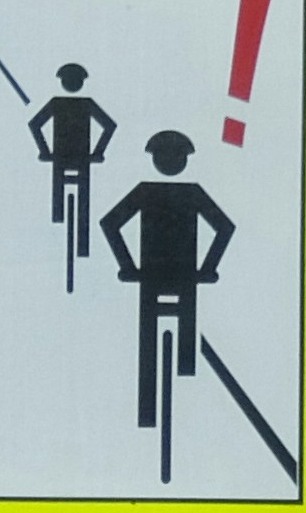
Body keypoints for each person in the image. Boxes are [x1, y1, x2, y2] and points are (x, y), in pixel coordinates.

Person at [99, 132, 235, 472]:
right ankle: (153, 408)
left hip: (158, 276)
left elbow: (110, 224)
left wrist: (128, 265)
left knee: (168, 347)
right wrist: (208, 267)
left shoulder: (157, 192)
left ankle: (179, 389)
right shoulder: (184, 193)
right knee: (156, 344)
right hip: (179, 276)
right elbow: (224, 228)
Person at [25, 63, 116, 289]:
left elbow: (35, 125)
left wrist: (46, 150)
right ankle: (69, 229)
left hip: (66, 157)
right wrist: (98, 151)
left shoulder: (68, 104)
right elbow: (109, 126)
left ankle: (80, 241)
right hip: (76, 158)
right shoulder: (77, 104)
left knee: (79, 201)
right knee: (70, 202)